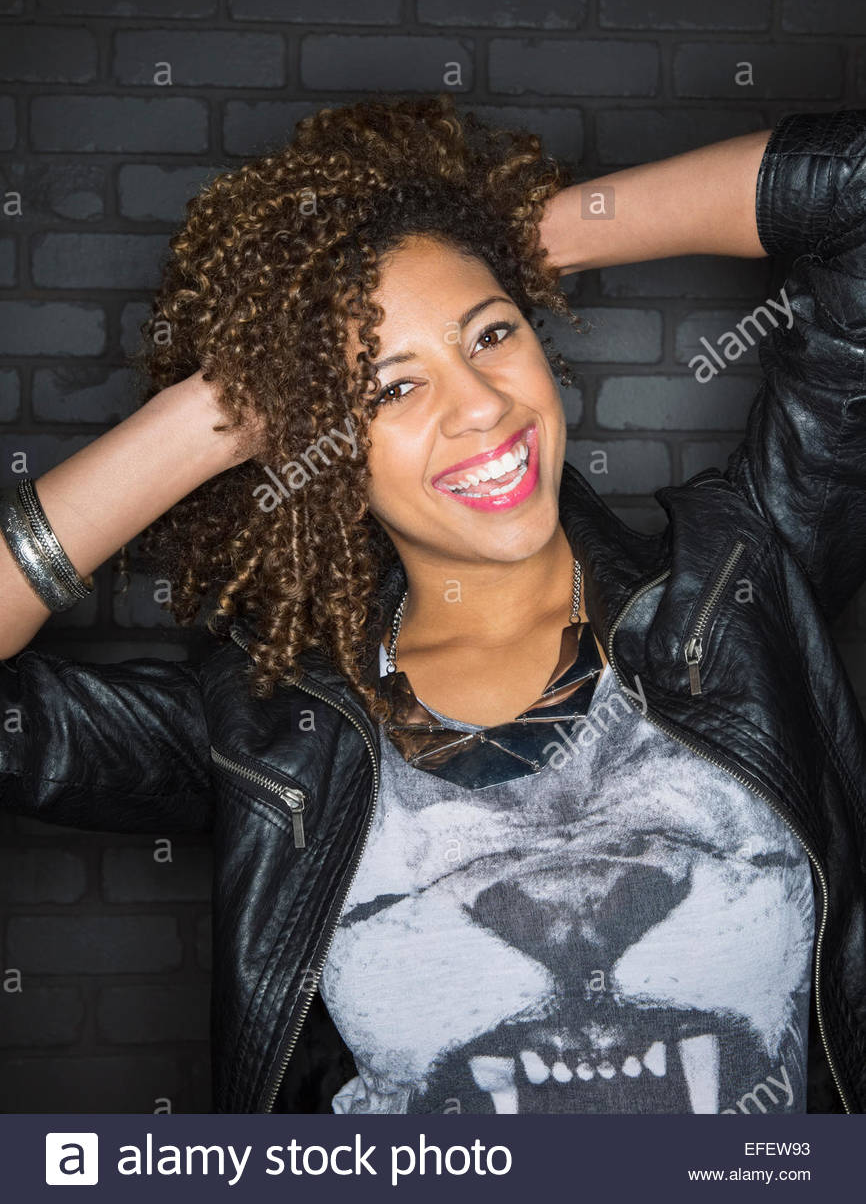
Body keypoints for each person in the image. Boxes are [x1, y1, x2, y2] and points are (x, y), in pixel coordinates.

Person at [1, 94, 865, 1116]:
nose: (480, 405)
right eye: (388, 390)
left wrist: (488, 237)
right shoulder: (265, 736)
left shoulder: (741, 585)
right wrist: (216, 411)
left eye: (490, 333)